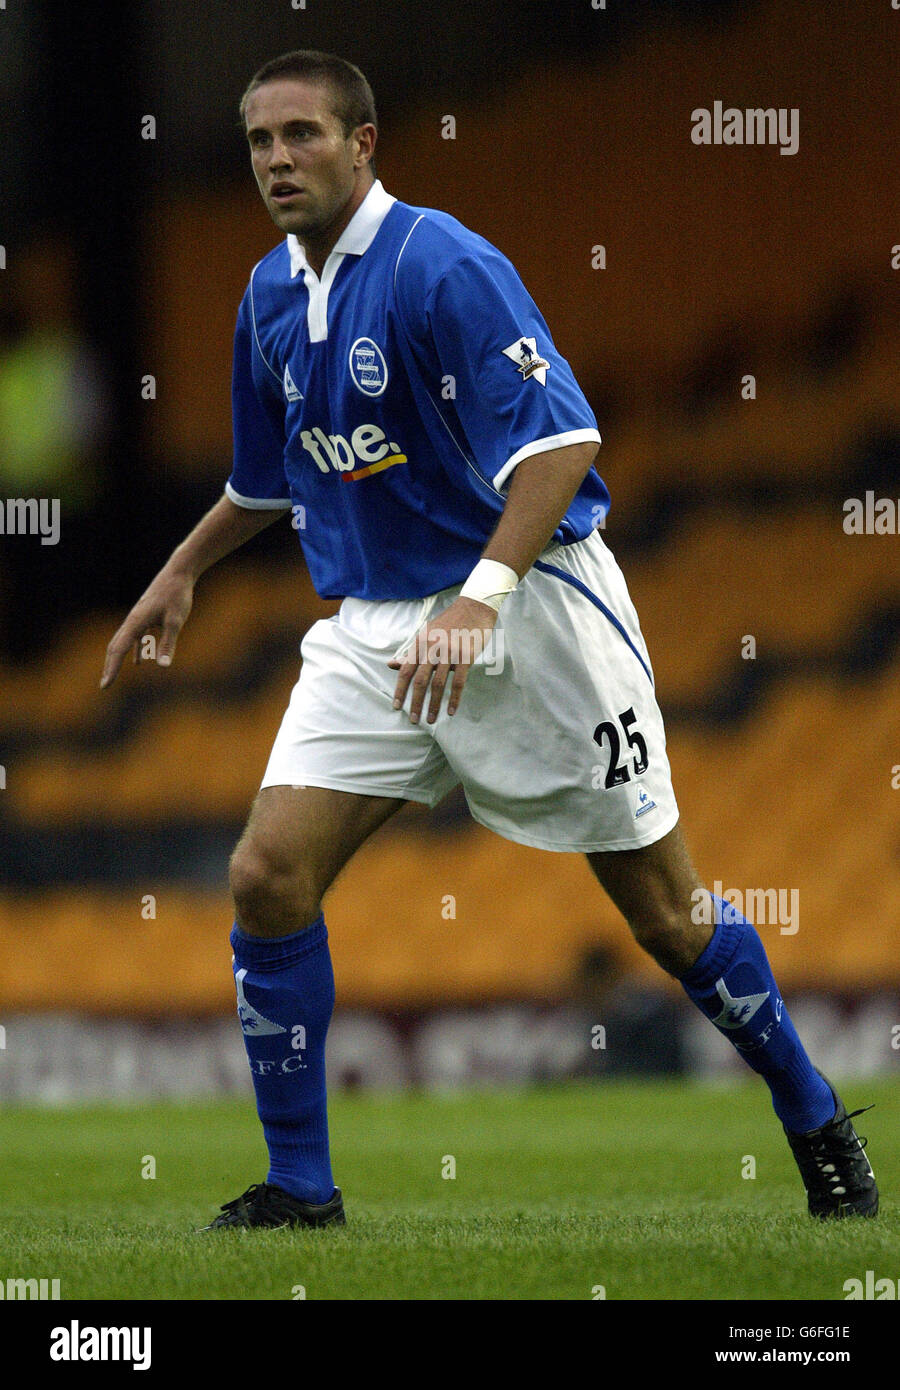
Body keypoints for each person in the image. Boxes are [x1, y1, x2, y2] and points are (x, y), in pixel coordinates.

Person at [101, 50, 877, 1228]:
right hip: (374, 626)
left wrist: (481, 598)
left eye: (303, 135)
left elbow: (562, 448)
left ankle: (814, 1114)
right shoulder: (267, 293)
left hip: (533, 607)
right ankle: (302, 1190)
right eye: (260, 143)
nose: (277, 161)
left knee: (666, 916)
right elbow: (266, 481)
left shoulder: (443, 264)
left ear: (365, 145)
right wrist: (180, 568)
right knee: (265, 873)